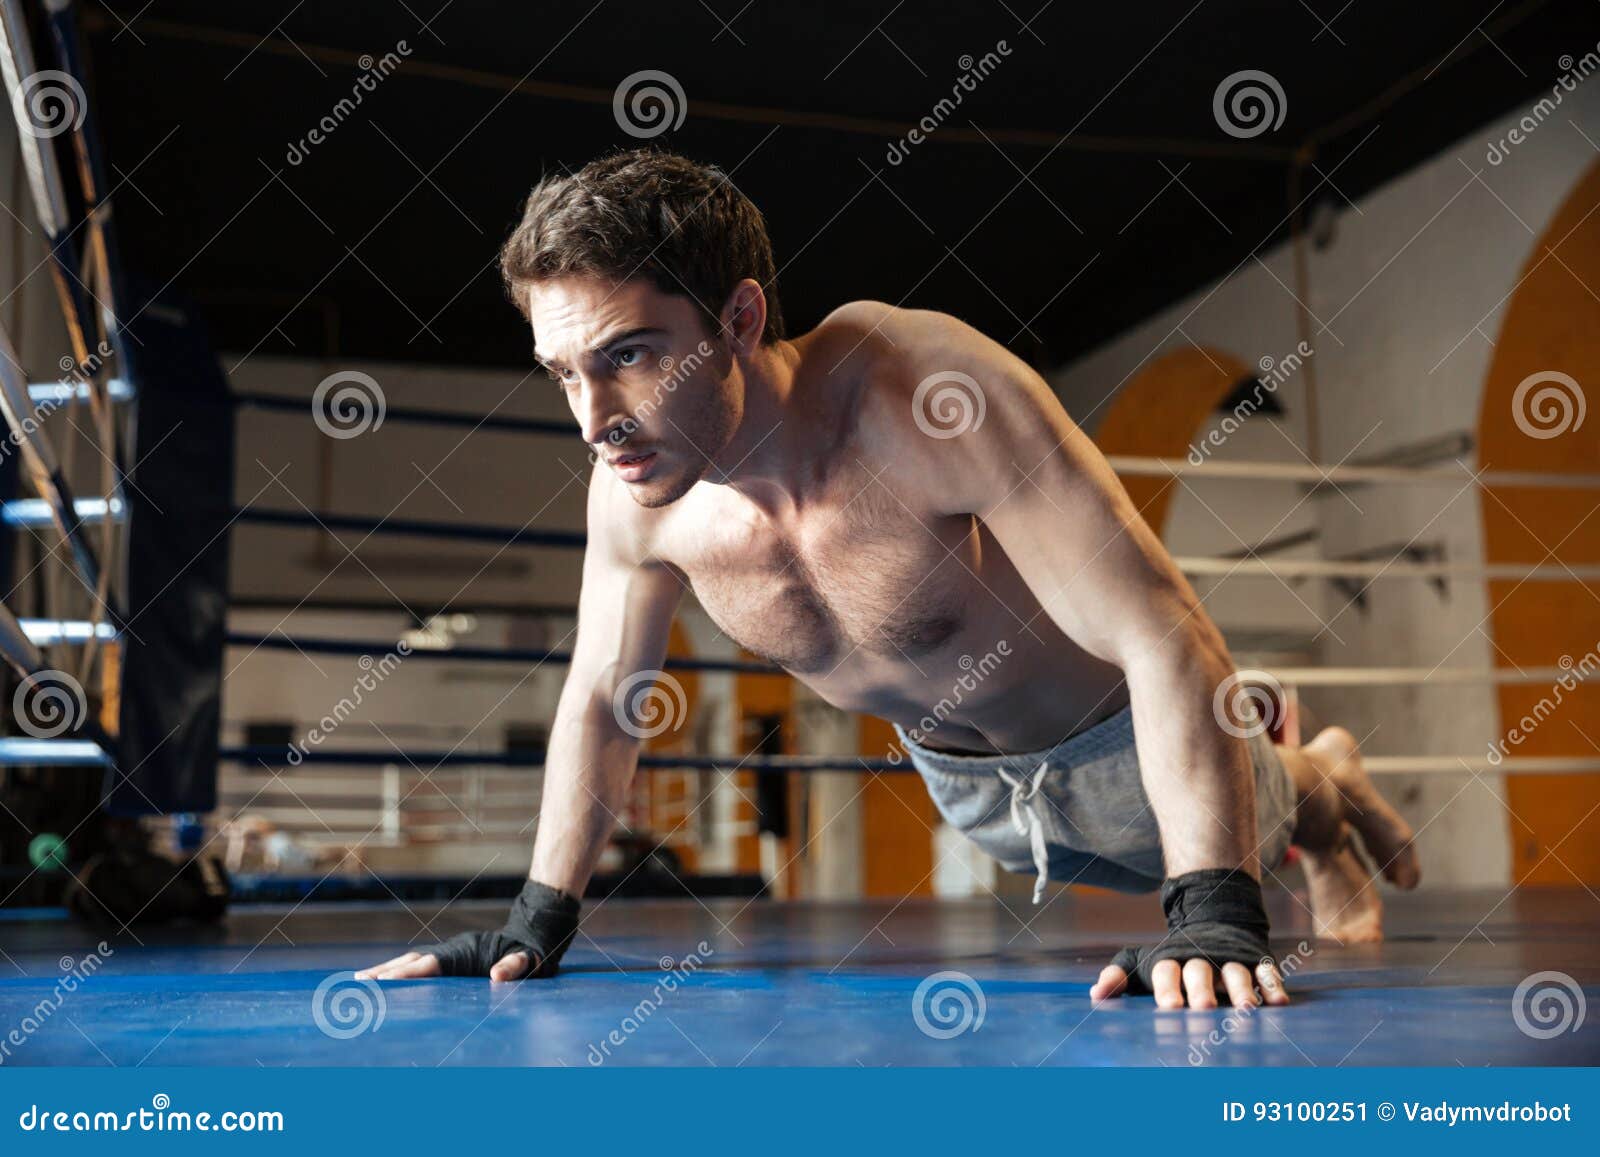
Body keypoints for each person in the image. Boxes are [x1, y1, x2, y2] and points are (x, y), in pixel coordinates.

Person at [358, 148, 1419, 1010]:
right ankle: (1312, 780)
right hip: (967, 790)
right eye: (565, 373)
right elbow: (600, 698)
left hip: (1123, 744)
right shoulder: (635, 496)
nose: (596, 420)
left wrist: (1215, 910)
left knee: (1274, 811)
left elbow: (1160, 631)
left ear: (736, 319)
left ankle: (1324, 787)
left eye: (630, 355)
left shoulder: (923, 391)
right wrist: (536, 919)